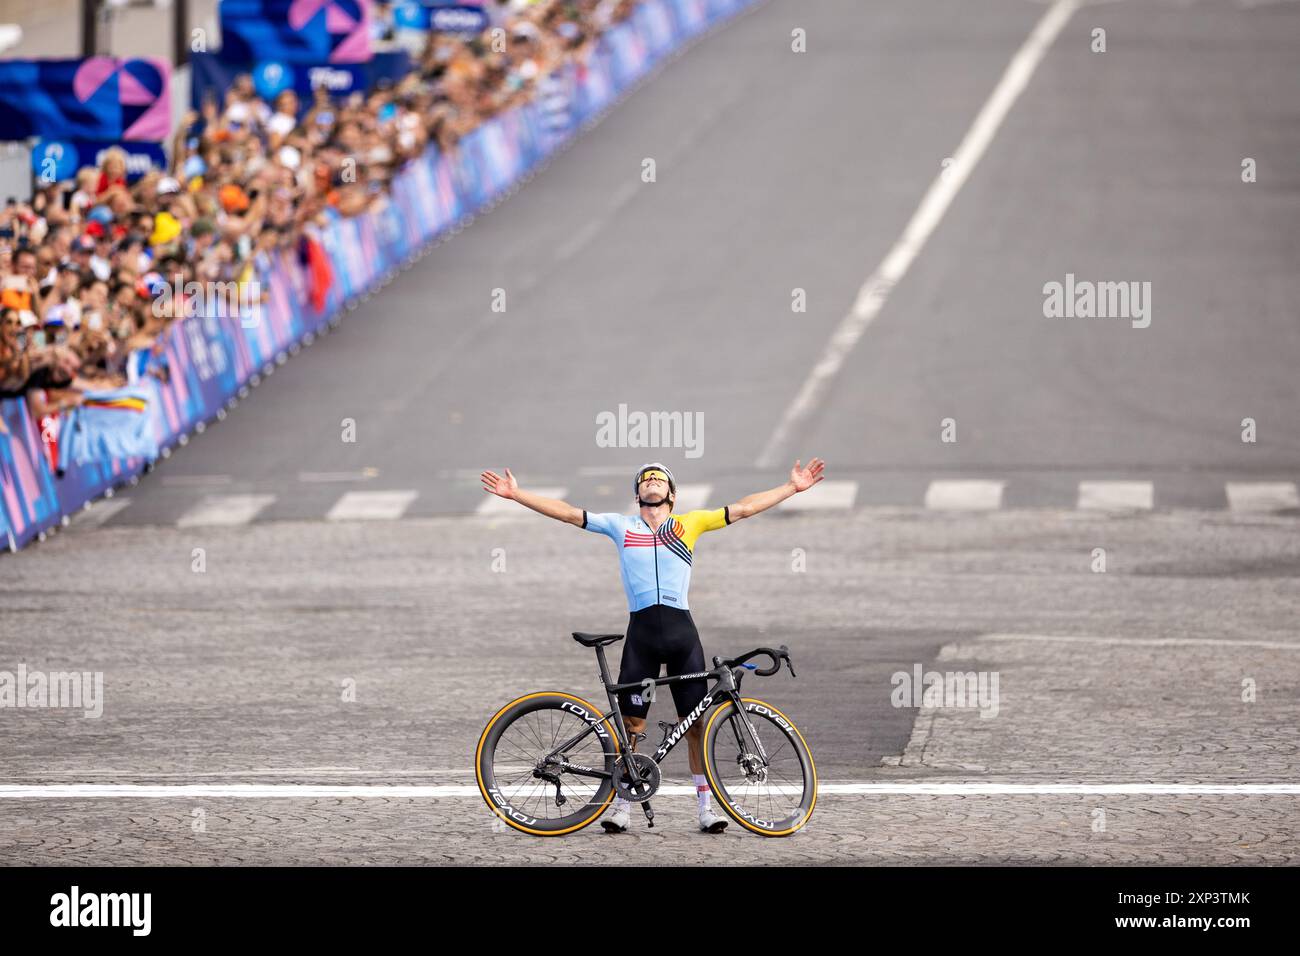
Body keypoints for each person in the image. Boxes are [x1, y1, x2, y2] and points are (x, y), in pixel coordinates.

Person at [479, 456, 826, 833]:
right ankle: (623, 805)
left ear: (672, 495)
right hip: (641, 636)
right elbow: (566, 513)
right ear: (638, 494)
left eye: (659, 478)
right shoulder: (620, 526)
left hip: (682, 636)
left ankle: (705, 809)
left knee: (695, 726)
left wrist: (792, 487)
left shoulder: (689, 524)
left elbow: (743, 508)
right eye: (645, 479)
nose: (652, 481)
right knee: (631, 726)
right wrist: (516, 495)